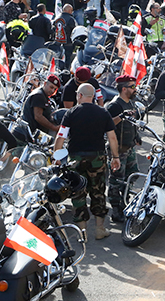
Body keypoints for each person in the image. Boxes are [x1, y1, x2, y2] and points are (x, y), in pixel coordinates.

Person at [55, 83, 120, 241]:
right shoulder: (103, 113)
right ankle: (99, 229)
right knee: (98, 192)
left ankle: (82, 232)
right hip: (97, 157)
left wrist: (56, 157)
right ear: (93, 97)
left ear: (79, 95)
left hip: (75, 159)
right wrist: (116, 157)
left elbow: (61, 136)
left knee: (78, 192)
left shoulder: (71, 113)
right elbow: (112, 137)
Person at [106, 75, 142, 223]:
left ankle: (125, 202)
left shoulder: (131, 103)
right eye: (132, 86)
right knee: (116, 181)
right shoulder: (114, 105)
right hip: (118, 150)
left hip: (129, 147)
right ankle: (116, 210)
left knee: (132, 175)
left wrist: (136, 136)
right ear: (124, 88)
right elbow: (107, 125)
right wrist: (121, 116)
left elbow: (132, 122)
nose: (135, 89)